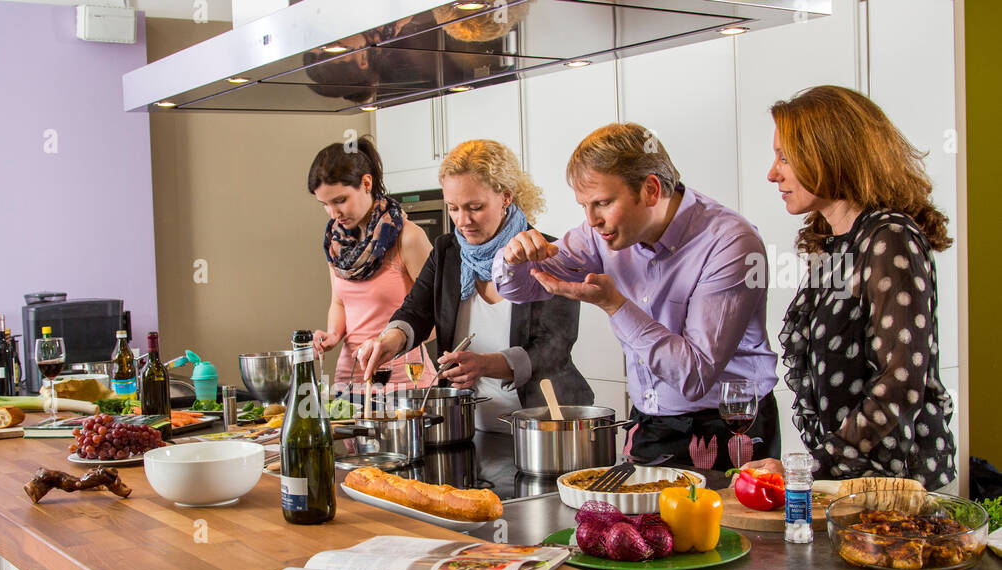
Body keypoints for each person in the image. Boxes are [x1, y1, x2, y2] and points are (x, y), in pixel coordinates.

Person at [492, 123, 779, 470]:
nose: (592, 220)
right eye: (584, 206)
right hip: (650, 423)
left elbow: (695, 375)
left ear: (651, 190)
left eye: (602, 203)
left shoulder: (731, 243)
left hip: (728, 428)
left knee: (725, 526)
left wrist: (614, 305)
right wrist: (511, 256)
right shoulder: (601, 233)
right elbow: (522, 288)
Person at [760, 85, 955, 486]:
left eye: (785, 157)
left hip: (898, 492)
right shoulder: (839, 243)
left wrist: (813, 467)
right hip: (853, 484)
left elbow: (901, 382)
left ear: (830, 154)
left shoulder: (889, 238)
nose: (772, 172)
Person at [356, 139, 592, 431]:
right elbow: (415, 311)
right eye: (453, 208)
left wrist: (486, 364)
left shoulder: (546, 252)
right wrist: (387, 341)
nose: (462, 221)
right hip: (467, 426)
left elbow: (554, 347)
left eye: (475, 207)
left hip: (544, 426)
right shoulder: (447, 251)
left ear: (505, 197)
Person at [307, 137, 434, 392]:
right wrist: (333, 334)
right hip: (349, 382)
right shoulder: (337, 245)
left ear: (366, 183)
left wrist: (391, 340)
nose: (334, 214)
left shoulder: (408, 238)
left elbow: (439, 314)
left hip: (404, 382)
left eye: (340, 200)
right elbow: (340, 302)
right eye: (325, 205)